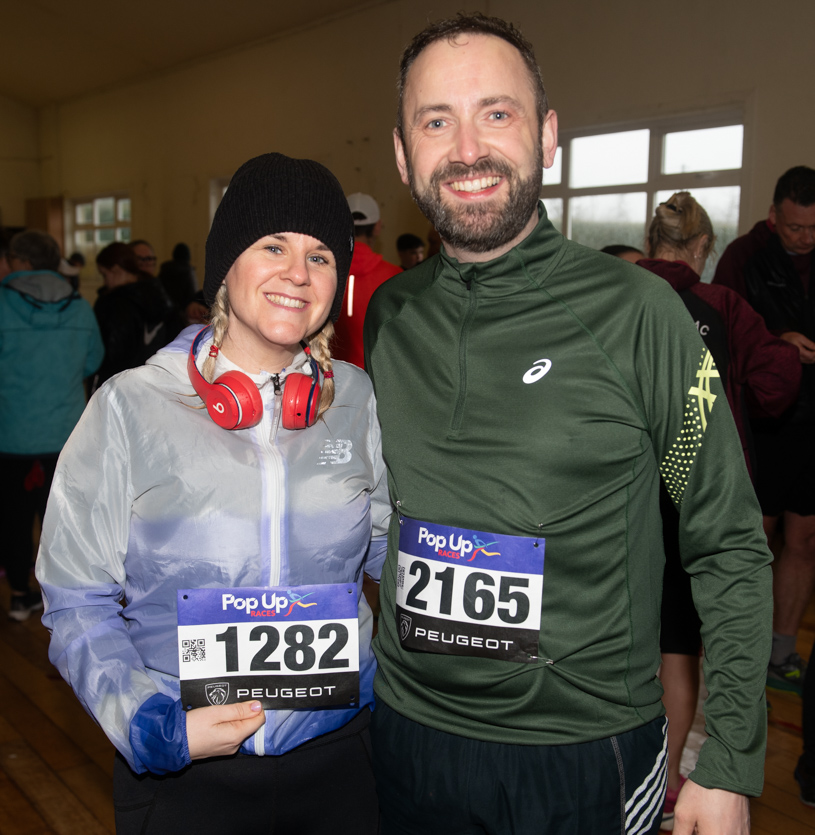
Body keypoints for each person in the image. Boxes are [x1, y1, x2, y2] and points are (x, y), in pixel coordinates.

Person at [363, 13, 772, 835]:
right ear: (404, 153)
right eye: (435, 120)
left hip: (581, 754)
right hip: (407, 736)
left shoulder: (642, 317)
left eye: (497, 113)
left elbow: (725, 537)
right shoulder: (388, 315)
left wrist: (726, 755)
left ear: (546, 134)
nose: (467, 147)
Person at [37, 153, 388, 834]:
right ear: (226, 264)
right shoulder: (130, 407)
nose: (297, 272)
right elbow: (75, 596)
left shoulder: (355, 400)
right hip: (186, 772)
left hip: (343, 757)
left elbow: (388, 553)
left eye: (321, 256)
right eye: (274, 245)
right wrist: (150, 723)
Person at [635, 192, 800, 829]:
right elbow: (775, 386)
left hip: (619, 503)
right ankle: (665, 783)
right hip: (691, 500)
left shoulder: (616, 292)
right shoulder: (722, 306)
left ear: (653, 243)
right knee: (680, 650)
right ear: (702, 248)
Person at [713, 165, 815, 695]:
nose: (805, 238)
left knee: (805, 539)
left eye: (814, 229)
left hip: (812, 422)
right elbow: (725, 335)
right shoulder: (742, 257)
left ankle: (782, 651)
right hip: (766, 421)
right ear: (775, 216)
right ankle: (742, 653)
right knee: (759, 537)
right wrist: (778, 340)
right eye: (796, 227)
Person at [0, 230, 103, 621]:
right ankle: (62, 599)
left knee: (13, 519)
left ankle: (21, 595)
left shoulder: (2, 304)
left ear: (19, 262)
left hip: (11, 435)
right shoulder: (79, 306)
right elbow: (93, 360)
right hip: (65, 435)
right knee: (61, 520)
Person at [92, 242, 182, 389]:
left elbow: (114, 356)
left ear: (116, 269)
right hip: (157, 382)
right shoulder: (159, 294)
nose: (105, 281)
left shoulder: (115, 303)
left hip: (121, 384)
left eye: (104, 275)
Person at [332, 193, 401, 368]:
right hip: (378, 382)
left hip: (329, 379)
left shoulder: (322, 273)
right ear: (377, 227)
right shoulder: (395, 277)